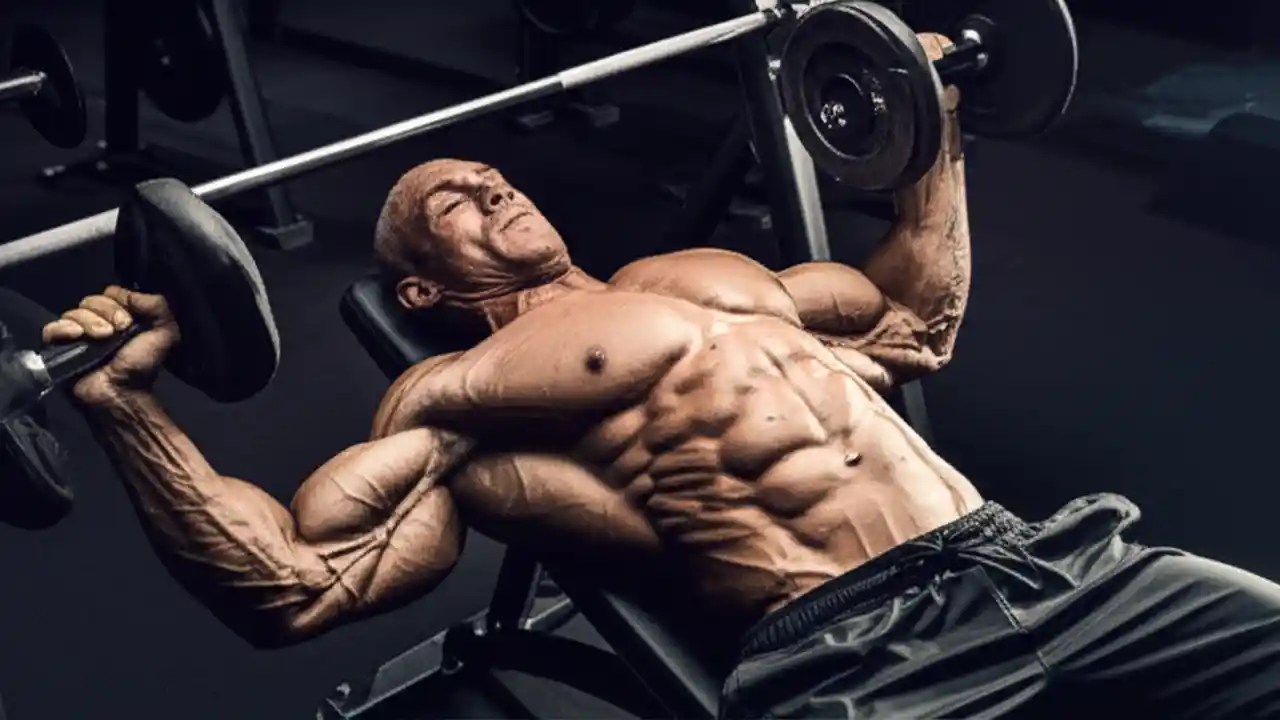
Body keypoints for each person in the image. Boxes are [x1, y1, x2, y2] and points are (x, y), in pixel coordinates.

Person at [44, 36, 1280, 719]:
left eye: (492, 175)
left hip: (1044, 563)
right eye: (449, 204)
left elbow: (910, 317)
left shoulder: (709, 271)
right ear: (420, 291)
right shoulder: (458, 396)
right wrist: (120, 405)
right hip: (855, 656)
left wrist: (931, 111)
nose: (489, 188)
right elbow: (296, 585)